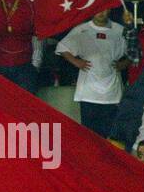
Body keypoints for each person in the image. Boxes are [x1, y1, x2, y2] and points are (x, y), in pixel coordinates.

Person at [55, 9, 129, 138]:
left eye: (104, 9)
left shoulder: (119, 30)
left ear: (109, 10)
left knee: (111, 138)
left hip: (112, 93)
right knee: (89, 137)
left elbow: (135, 51)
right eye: (98, 9)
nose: (101, 12)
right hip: (88, 94)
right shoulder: (81, 30)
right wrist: (76, 61)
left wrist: (124, 64)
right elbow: (62, 48)